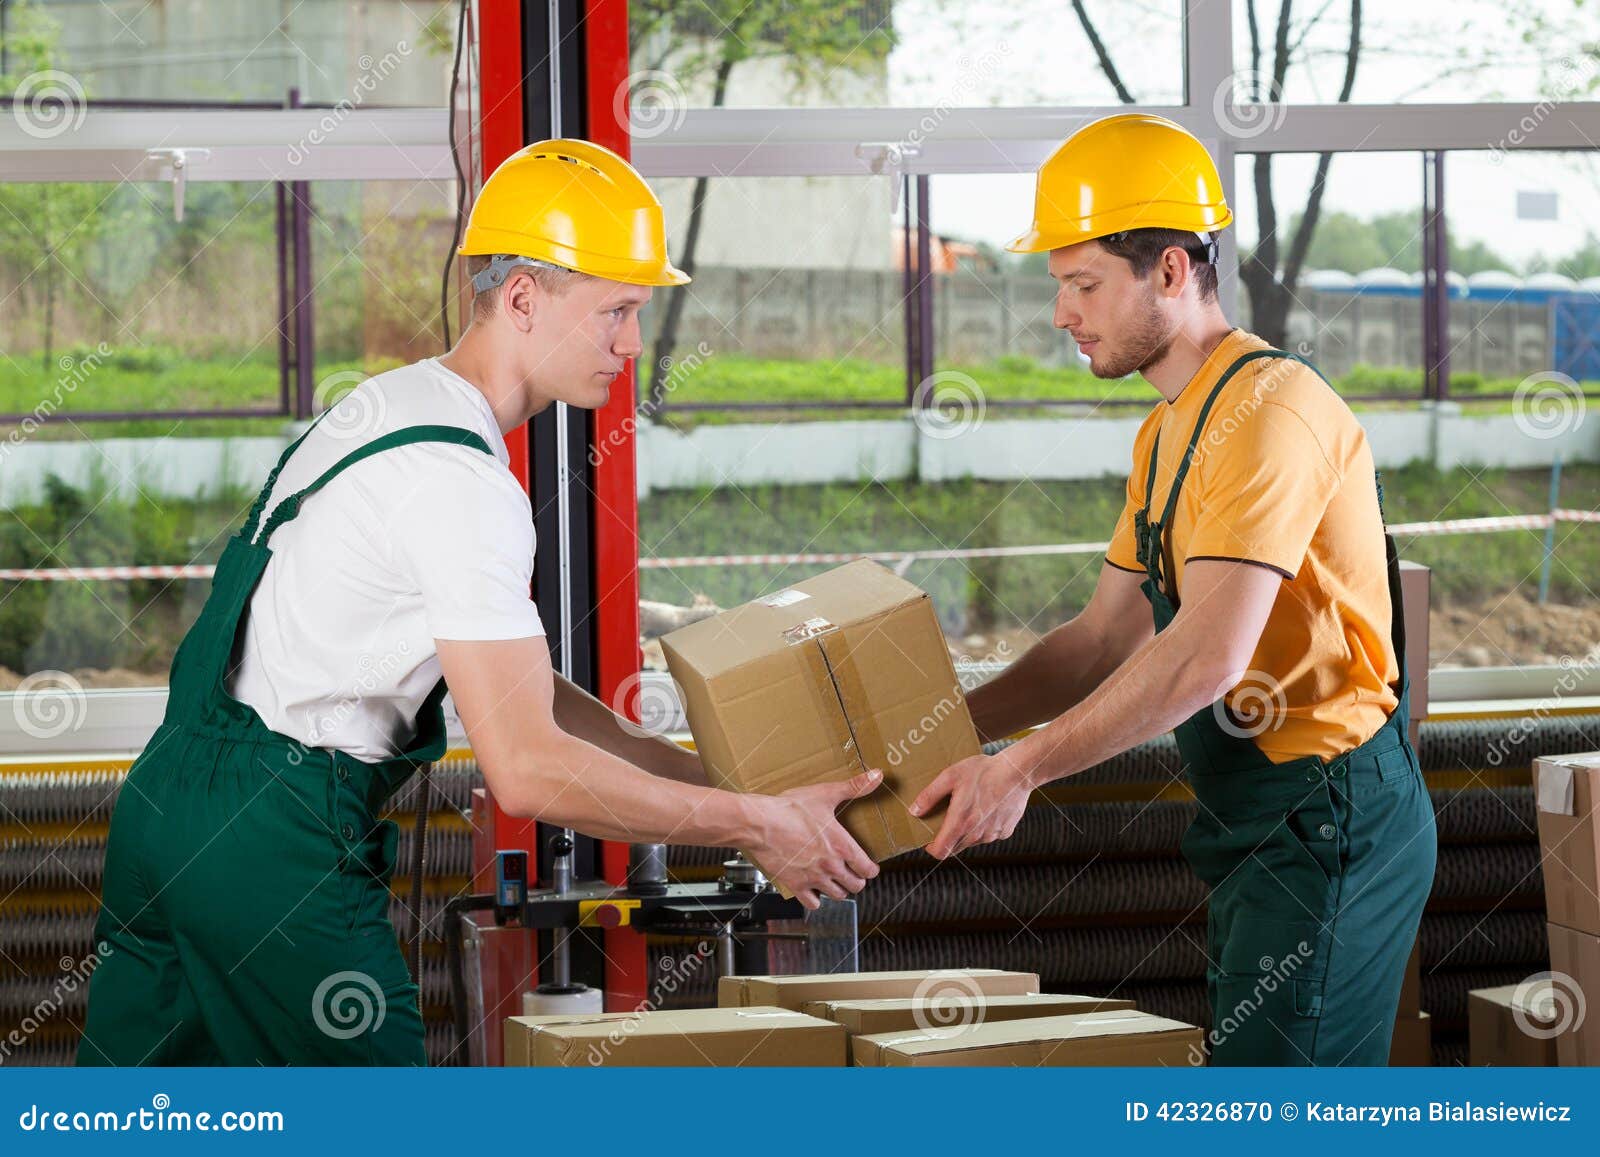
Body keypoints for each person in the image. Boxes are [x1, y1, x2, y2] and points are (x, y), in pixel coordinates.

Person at [78, 139, 880, 1067]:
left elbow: (522, 689)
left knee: (147, 1116)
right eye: (617, 311)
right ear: (524, 299)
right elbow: (529, 769)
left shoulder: (388, 408)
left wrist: (717, 780)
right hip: (272, 841)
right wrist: (755, 827)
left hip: (168, 813)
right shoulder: (461, 480)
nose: (633, 343)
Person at [909, 113, 1436, 1065]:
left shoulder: (1271, 413)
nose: (1063, 314)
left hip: (1328, 808)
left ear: (1170, 271)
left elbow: (1205, 653)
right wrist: (939, 734)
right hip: (1254, 815)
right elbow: (1102, 639)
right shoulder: (1167, 435)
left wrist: (1020, 768)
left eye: (1083, 284)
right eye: (1060, 286)